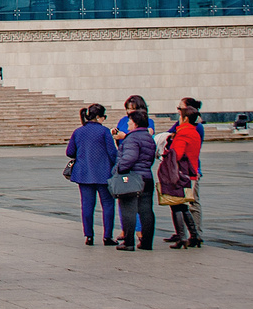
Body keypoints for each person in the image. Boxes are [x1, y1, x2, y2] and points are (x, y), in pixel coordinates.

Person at [65, 104, 119, 246]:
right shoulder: (104, 132)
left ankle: (89, 235)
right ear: (99, 117)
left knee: (87, 205)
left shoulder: (78, 131)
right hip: (104, 173)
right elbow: (112, 153)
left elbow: (70, 152)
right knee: (107, 204)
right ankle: (107, 236)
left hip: (83, 173)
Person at [113, 108, 157, 251]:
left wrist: (118, 169)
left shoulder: (132, 138)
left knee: (128, 210)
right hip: (147, 176)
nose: (129, 124)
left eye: (130, 122)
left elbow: (129, 158)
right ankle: (146, 242)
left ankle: (128, 242)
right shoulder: (148, 138)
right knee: (146, 211)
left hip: (131, 177)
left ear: (136, 123)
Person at [165, 103, 203, 249]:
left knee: (176, 205)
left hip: (180, 175)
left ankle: (182, 237)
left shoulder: (183, 133)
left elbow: (177, 155)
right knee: (184, 206)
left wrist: (168, 150)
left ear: (185, 118)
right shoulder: (194, 132)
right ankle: (194, 236)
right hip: (191, 173)